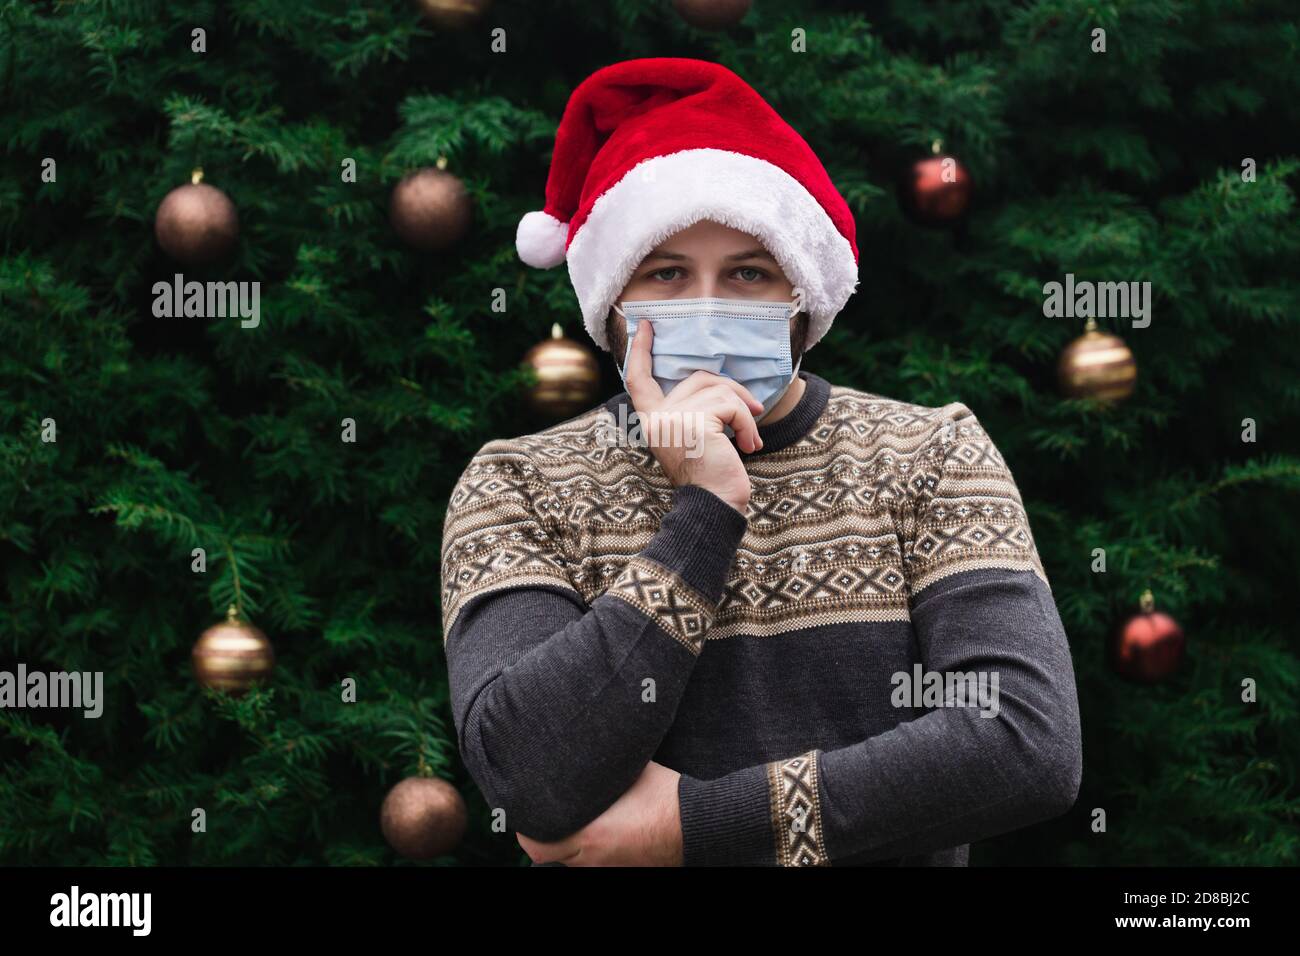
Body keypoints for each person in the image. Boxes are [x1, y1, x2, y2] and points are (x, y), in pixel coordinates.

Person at [439, 58, 1081, 866]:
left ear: (801, 301)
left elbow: (1025, 740)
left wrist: (695, 826)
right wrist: (704, 514)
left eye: (748, 273)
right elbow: (532, 774)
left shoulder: (932, 454)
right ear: (610, 307)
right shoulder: (518, 484)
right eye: (666, 274)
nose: (707, 305)